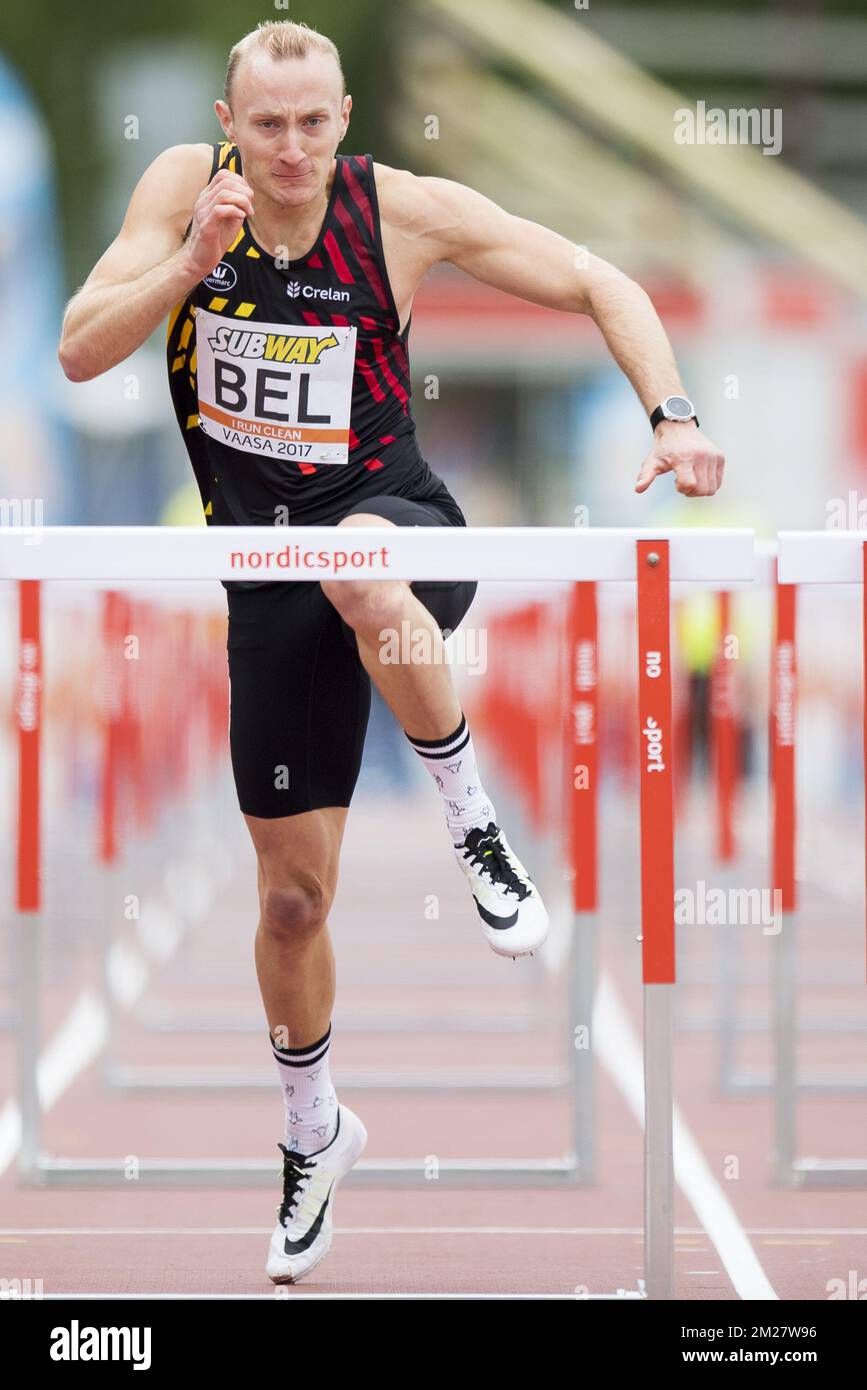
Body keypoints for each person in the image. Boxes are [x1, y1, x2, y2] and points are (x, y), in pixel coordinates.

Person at [58, 19, 725, 1286]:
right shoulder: (182, 196)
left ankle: (475, 824)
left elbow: (600, 280)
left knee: (362, 562)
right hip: (266, 581)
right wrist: (190, 261)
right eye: (267, 126)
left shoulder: (397, 213)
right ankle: (316, 1134)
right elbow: (81, 348)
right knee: (293, 899)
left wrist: (676, 414)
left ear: (347, 117)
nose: (293, 149)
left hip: (400, 533)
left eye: (315, 124)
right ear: (228, 121)